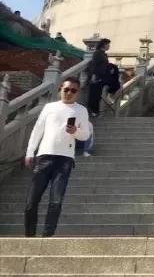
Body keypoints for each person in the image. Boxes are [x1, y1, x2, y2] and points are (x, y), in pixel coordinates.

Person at [24, 75, 90, 237]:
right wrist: (29, 152)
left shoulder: (81, 110)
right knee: (31, 202)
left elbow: (85, 136)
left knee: (56, 200)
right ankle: (30, 235)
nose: (69, 93)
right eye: (66, 89)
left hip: (65, 160)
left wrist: (76, 131)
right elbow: (37, 130)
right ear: (60, 89)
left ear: (78, 93)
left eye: (73, 91)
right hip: (44, 156)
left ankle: (47, 235)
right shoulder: (49, 107)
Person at [85, 37, 110, 117]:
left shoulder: (104, 54)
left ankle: (95, 111)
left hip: (101, 77)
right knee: (94, 95)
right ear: (104, 45)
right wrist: (93, 76)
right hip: (96, 77)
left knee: (98, 95)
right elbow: (94, 65)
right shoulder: (97, 53)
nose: (109, 46)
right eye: (108, 44)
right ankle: (93, 111)